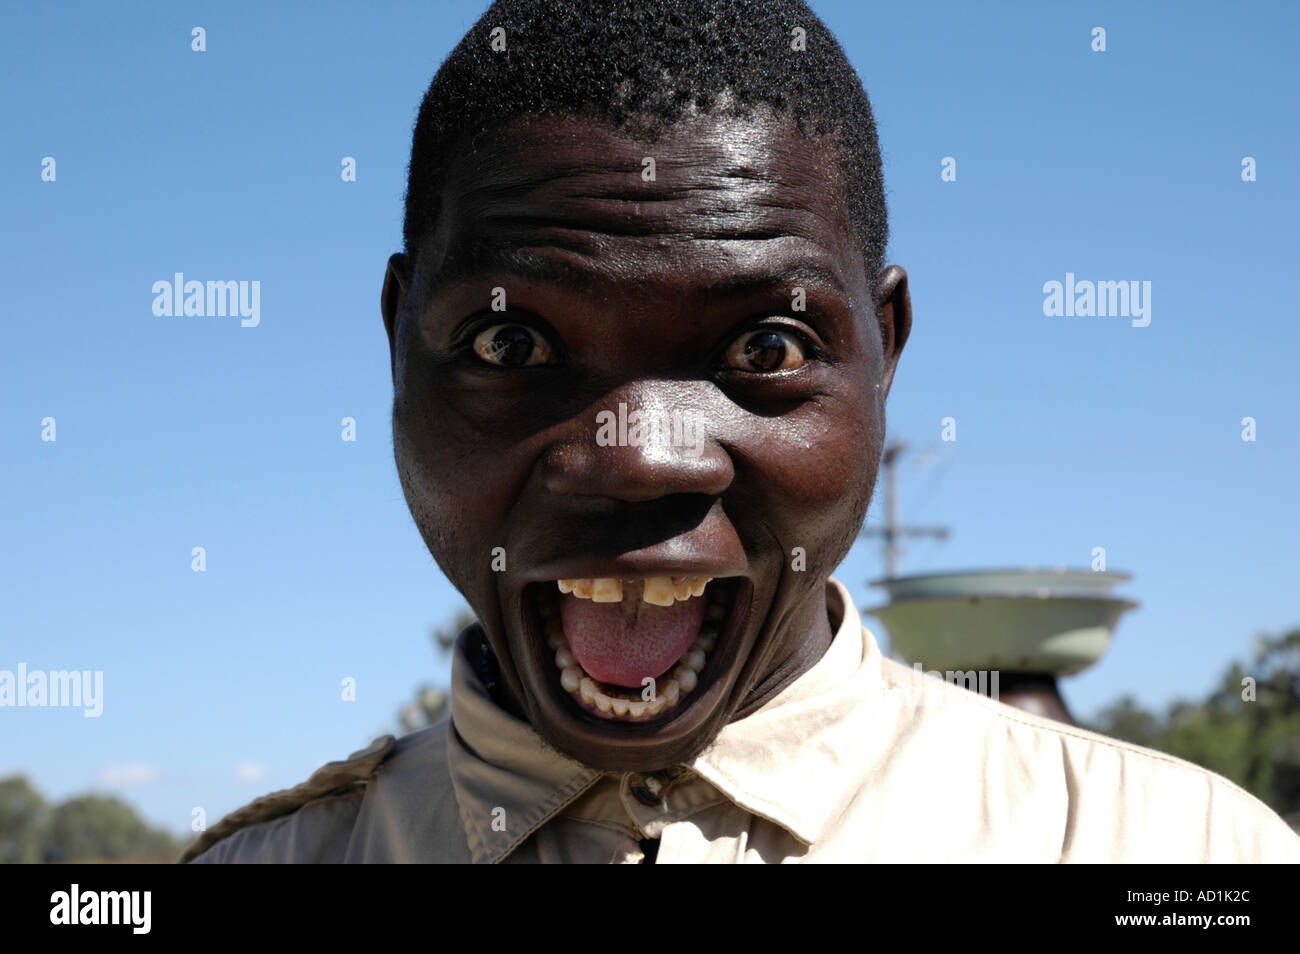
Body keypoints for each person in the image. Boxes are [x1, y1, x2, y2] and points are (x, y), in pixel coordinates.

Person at [183, 0, 1300, 863]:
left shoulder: (1171, 854)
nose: (635, 457)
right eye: (512, 348)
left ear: (887, 349)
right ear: (396, 350)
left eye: (764, 350)